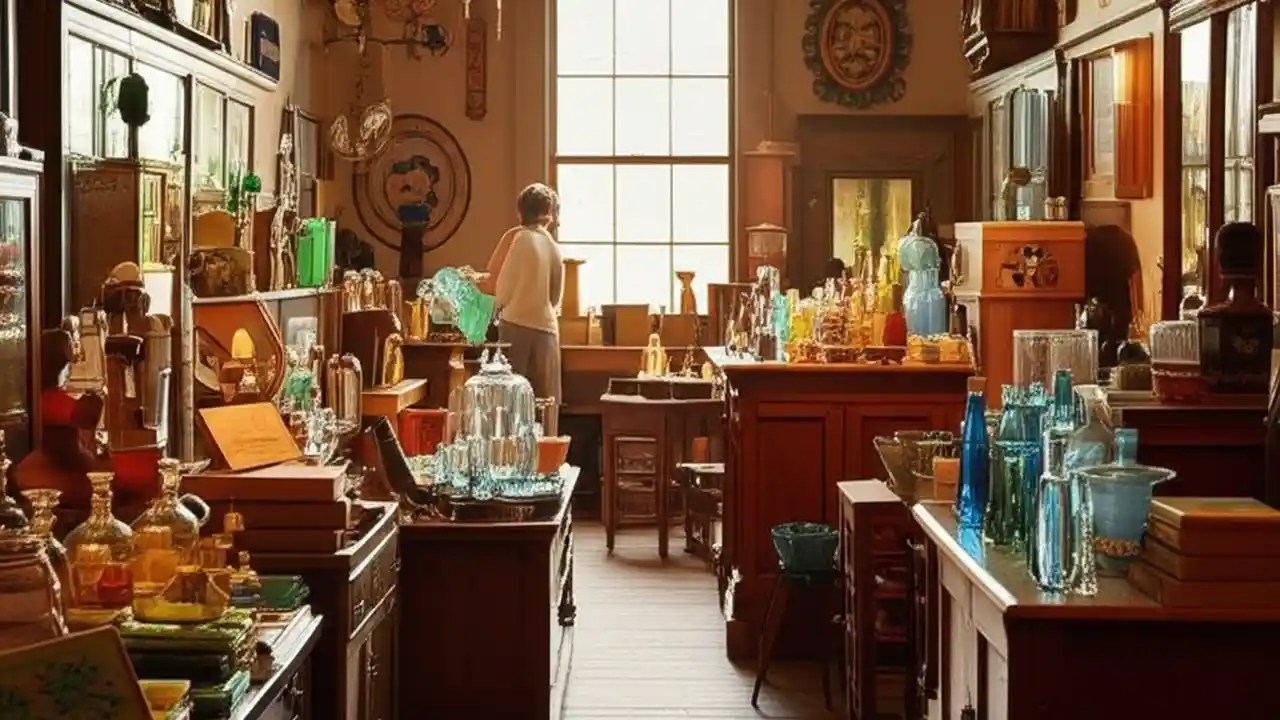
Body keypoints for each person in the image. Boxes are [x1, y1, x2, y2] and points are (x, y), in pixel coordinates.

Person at [494, 183, 563, 402]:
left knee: (512, 401)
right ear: (549, 214)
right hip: (546, 329)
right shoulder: (554, 247)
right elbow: (555, 296)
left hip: (515, 324)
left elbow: (504, 286)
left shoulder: (521, 238)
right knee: (545, 400)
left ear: (520, 211)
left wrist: (498, 308)